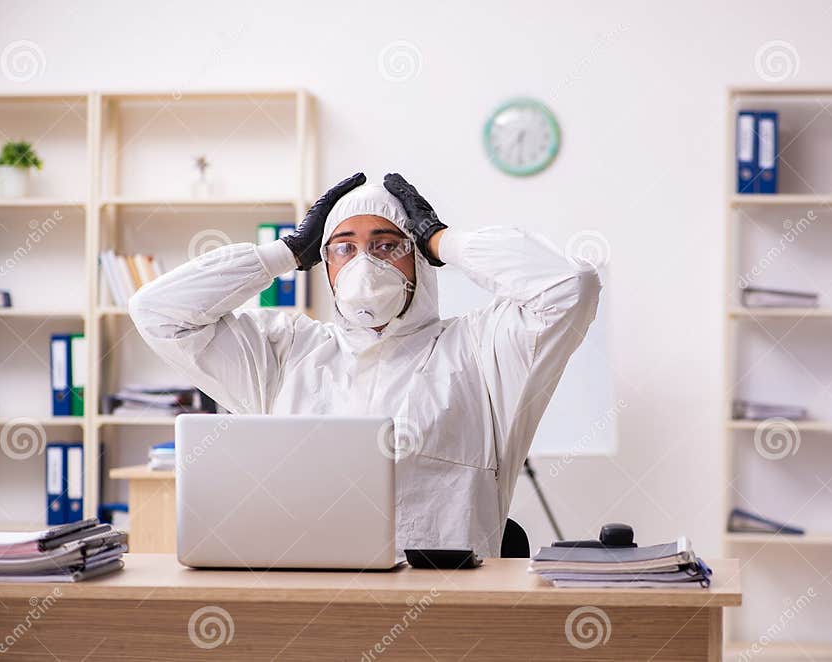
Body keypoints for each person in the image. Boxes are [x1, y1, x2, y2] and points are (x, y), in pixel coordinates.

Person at [129, 173, 601, 558]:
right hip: (311, 605)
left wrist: (444, 240)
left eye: (386, 245)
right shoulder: (287, 350)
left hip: (447, 613)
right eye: (343, 247)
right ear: (324, 262)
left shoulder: (481, 349)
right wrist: (285, 252)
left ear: (418, 257)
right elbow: (158, 313)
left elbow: (570, 286)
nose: (363, 263)